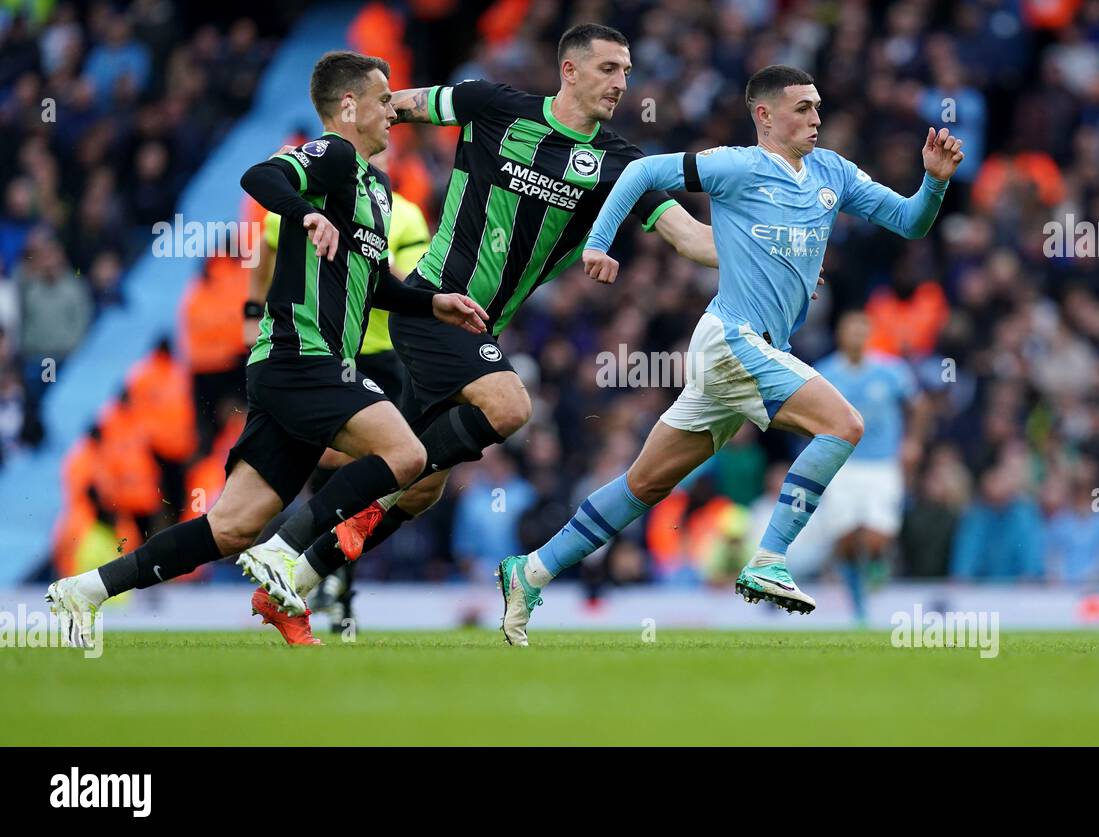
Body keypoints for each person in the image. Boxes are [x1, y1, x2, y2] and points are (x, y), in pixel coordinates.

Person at [497, 64, 964, 645]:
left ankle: (531, 570)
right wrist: (598, 241)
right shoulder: (735, 166)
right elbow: (643, 169)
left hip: (748, 351)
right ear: (764, 116)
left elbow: (908, 222)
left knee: (645, 484)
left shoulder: (832, 173)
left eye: (818, 106)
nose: (816, 117)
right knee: (843, 424)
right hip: (731, 338)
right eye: (802, 108)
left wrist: (935, 182)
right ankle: (769, 558)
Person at [46, 51, 487, 647]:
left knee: (229, 528)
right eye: (384, 100)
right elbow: (259, 176)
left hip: (302, 370)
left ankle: (85, 591)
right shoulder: (332, 155)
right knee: (407, 455)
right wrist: (305, 214)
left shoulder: (377, 191)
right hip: (301, 358)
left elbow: (372, 282)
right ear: (349, 106)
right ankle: (285, 556)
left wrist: (432, 304)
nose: (395, 111)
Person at [278, 24, 719, 607]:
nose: (621, 83)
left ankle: (301, 578)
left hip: (477, 328)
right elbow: (392, 108)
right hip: (434, 302)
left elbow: (688, 236)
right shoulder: (491, 105)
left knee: (418, 487)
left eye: (627, 72)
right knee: (510, 406)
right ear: (570, 70)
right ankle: (291, 540)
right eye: (609, 69)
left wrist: (766, 256)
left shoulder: (619, 166)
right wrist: (330, 154)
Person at [246, 148, 429, 642]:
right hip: (323, 350)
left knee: (374, 469)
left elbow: (407, 283)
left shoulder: (403, 212)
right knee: (327, 462)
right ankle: (314, 573)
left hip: (381, 353)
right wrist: (250, 313)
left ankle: (332, 583)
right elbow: (265, 257)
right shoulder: (299, 203)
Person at [813, 310, 918, 624]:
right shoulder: (825, 372)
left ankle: (876, 564)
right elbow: (807, 412)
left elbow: (919, 405)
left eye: (862, 330)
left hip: (881, 465)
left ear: (869, 334)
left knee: (875, 537)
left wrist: (912, 441)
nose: (857, 336)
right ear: (841, 335)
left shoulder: (891, 371)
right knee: (844, 539)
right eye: (851, 330)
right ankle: (859, 608)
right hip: (841, 464)